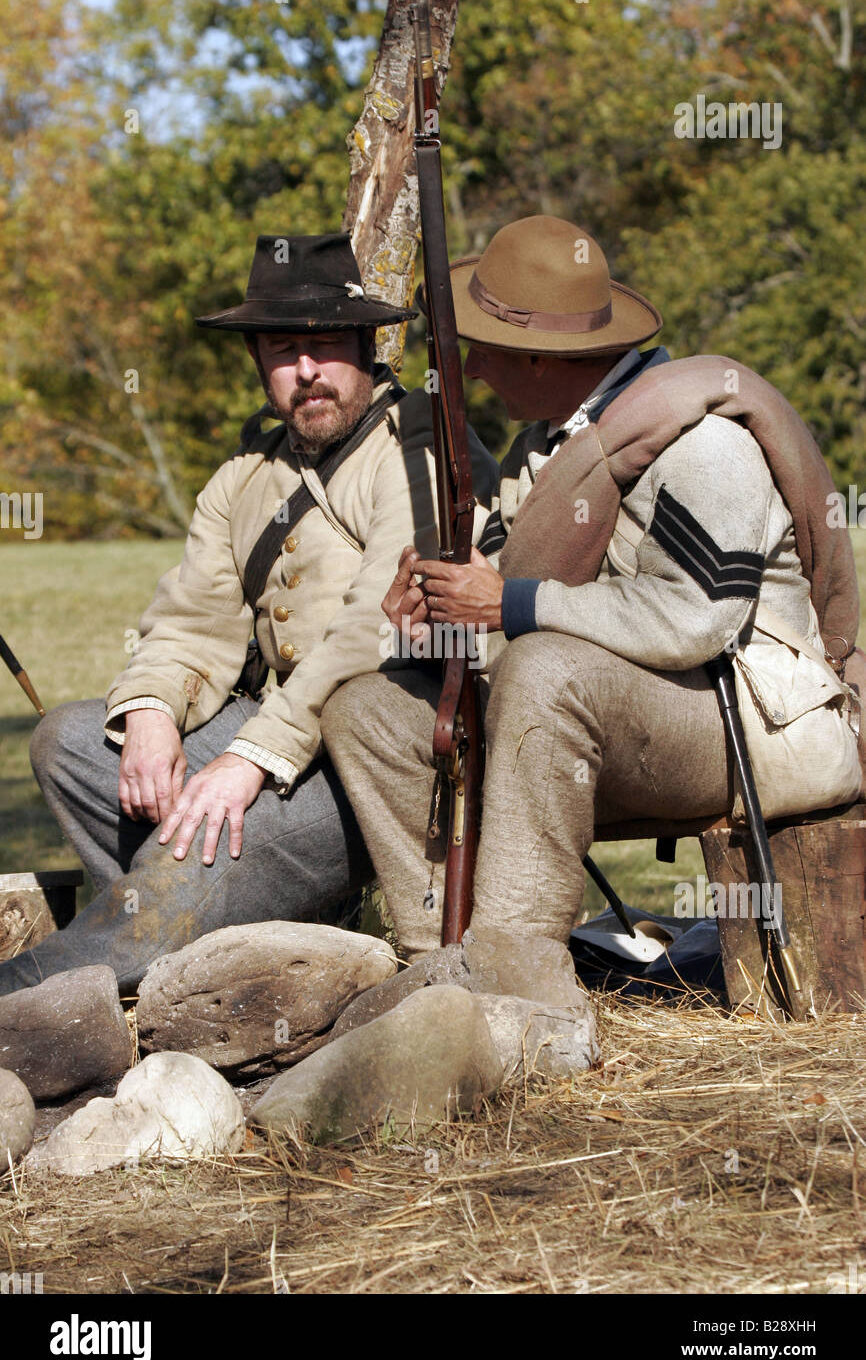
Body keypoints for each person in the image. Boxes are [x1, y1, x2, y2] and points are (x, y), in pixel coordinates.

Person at [320, 215, 862, 958]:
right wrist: (443, 610)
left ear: (541, 358)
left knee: (550, 672)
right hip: (605, 714)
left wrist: (507, 604)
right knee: (368, 710)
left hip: (746, 724)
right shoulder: (545, 448)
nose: (470, 371)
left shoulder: (708, 446)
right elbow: (509, 593)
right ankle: (436, 965)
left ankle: (516, 968)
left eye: (483, 349)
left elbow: (696, 619)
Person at [0, 231, 497, 996]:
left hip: (382, 751)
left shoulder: (421, 450)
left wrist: (250, 757)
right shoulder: (243, 479)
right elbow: (192, 622)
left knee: (183, 862)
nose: (305, 371)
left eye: (326, 344)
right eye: (281, 348)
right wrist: (154, 712)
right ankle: (185, 944)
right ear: (257, 359)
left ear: (368, 347)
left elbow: (376, 621)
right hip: (279, 734)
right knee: (70, 743)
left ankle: (37, 990)